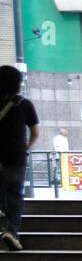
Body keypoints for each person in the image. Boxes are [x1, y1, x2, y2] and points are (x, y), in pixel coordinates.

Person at [0, 65, 39, 251]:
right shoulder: (24, 104)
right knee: (15, 194)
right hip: (16, 155)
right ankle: (12, 232)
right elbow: (35, 133)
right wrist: (26, 147)